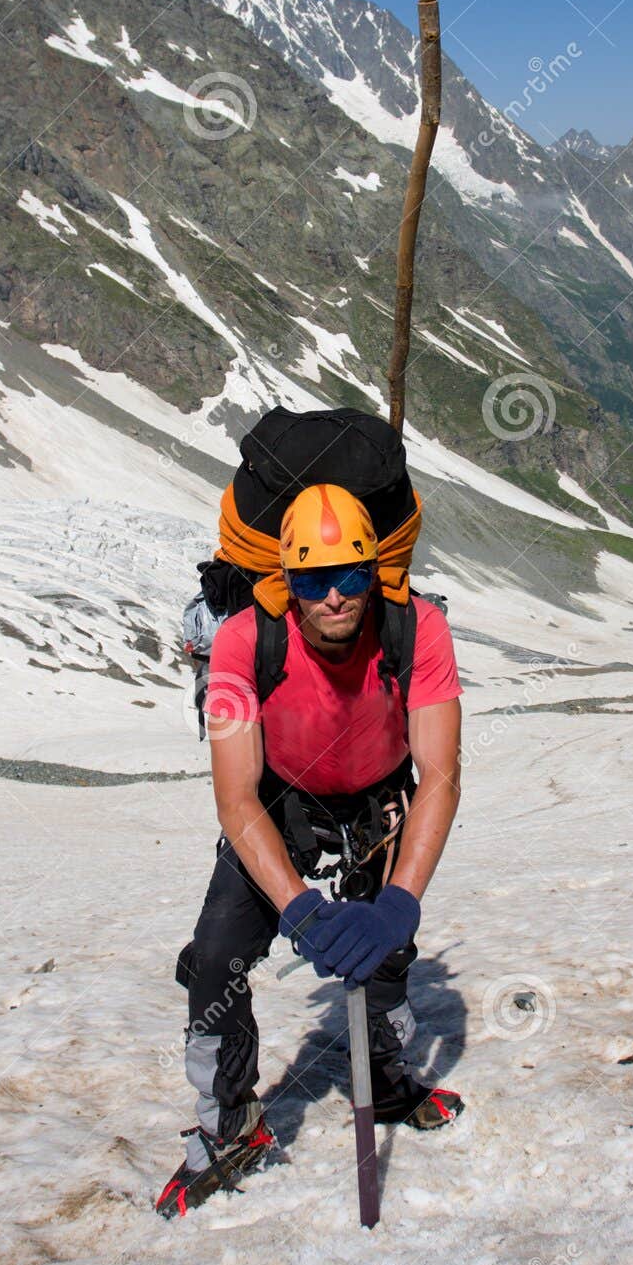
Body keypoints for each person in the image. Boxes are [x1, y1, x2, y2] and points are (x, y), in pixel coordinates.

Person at [157, 482, 464, 1217]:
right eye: (314, 580)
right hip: (278, 803)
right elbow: (236, 799)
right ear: (285, 582)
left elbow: (441, 776)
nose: (335, 597)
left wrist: (396, 905)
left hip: (376, 798)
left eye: (351, 574)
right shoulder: (241, 641)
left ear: (375, 572)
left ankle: (382, 1080)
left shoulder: (417, 629)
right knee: (217, 960)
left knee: (386, 954)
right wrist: (297, 909)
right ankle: (229, 1125)